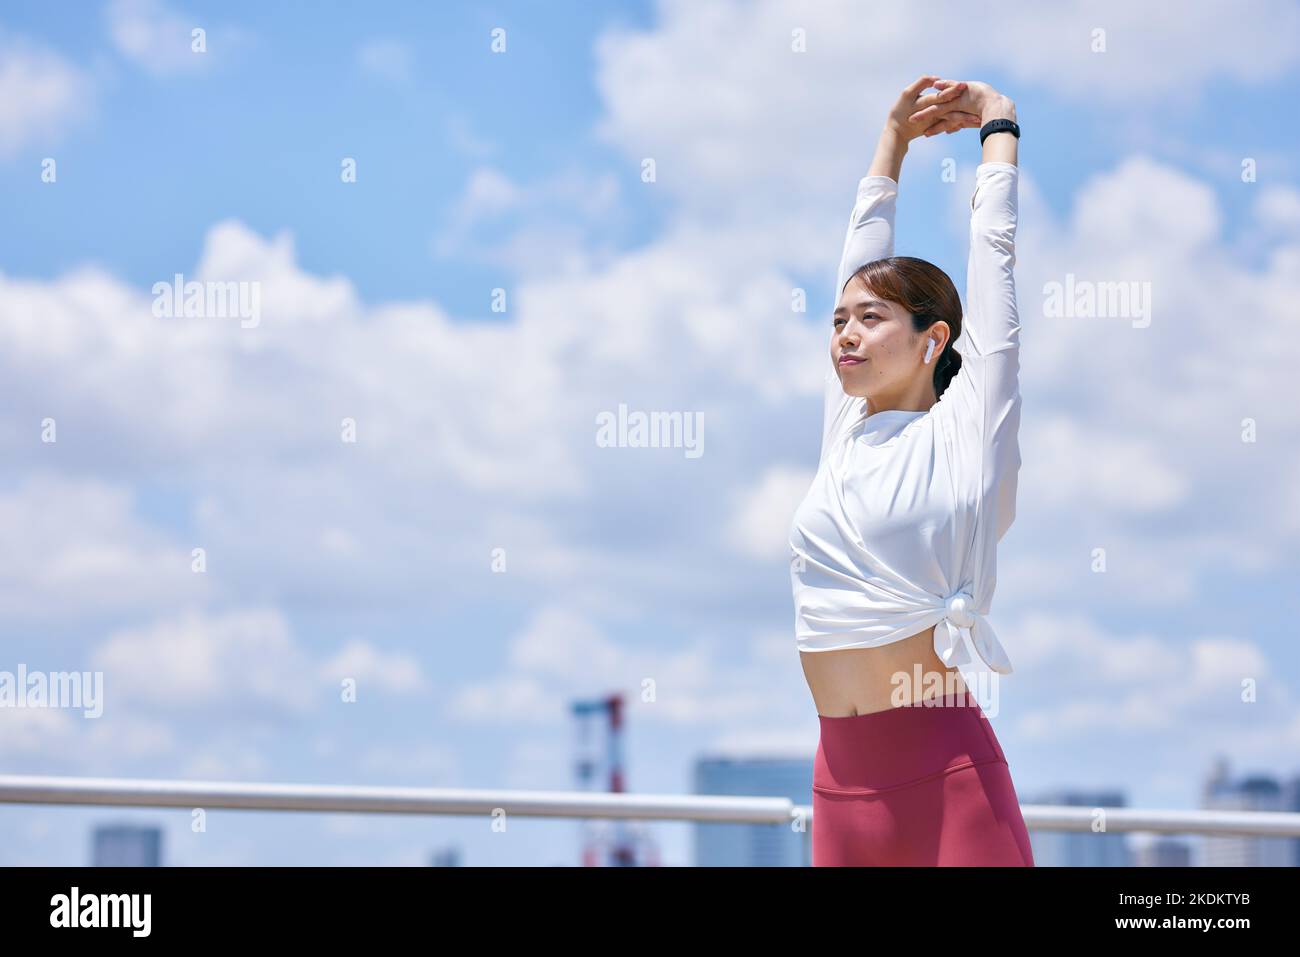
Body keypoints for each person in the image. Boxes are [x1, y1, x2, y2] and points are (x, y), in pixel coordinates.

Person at [788, 75, 1034, 866]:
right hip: (839, 788)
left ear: (933, 340)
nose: (845, 336)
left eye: (870, 318)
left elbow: (993, 255)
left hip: (947, 778)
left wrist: (1000, 130)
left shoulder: (970, 429)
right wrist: (893, 139)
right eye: (838, 321)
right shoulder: (844, 432)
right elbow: (861, 245)